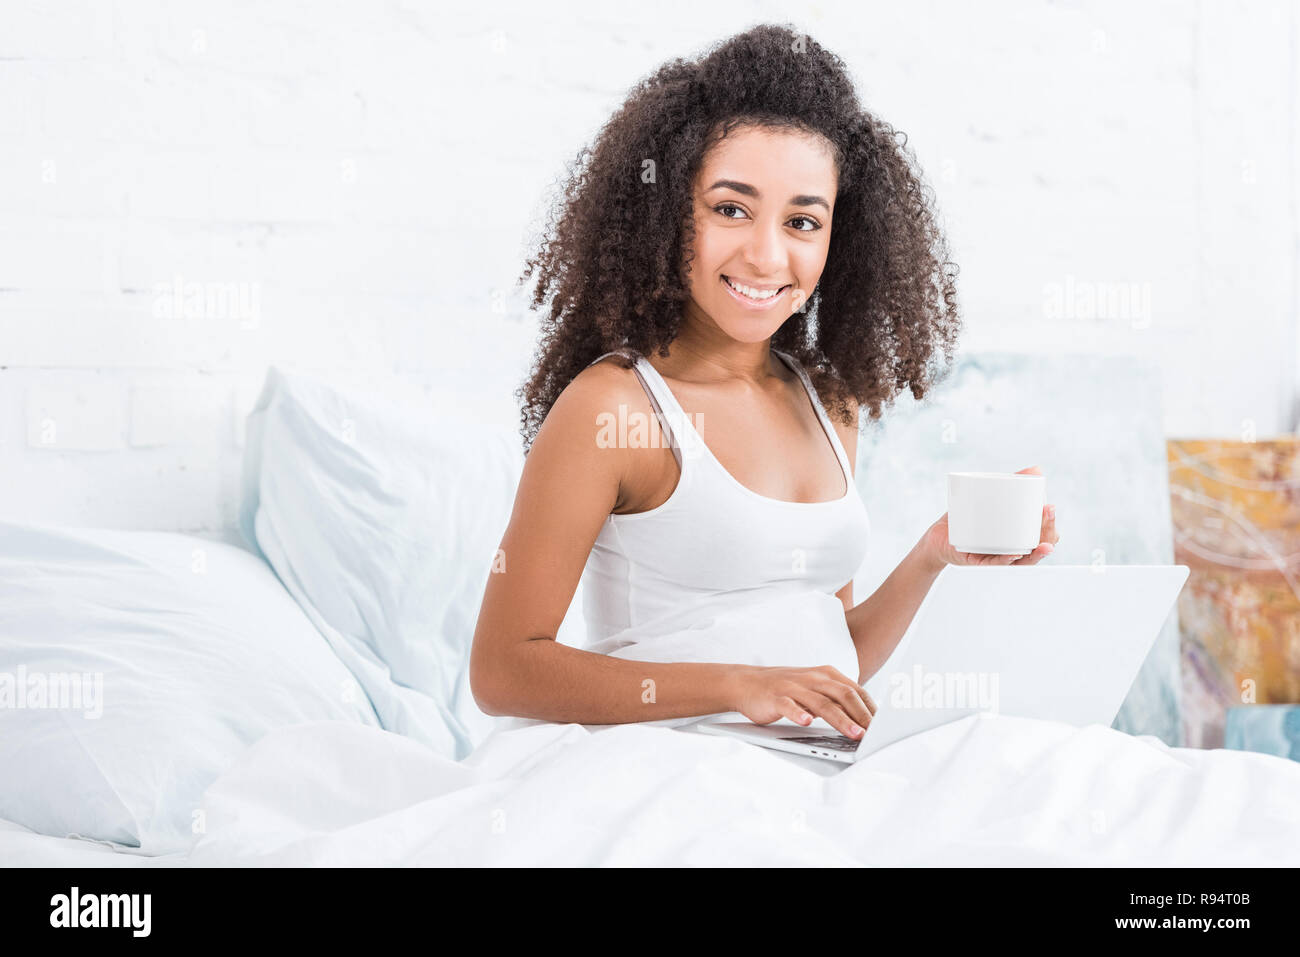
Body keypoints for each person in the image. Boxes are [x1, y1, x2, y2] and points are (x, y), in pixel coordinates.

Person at [469, 24, 1059, 742]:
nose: (765, 254)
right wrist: (734, 684)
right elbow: (503, 670)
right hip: (663, 769)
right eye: (730, 208)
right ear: (667, 211)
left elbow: (828, 663)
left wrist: (933, 553)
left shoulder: (827, 402)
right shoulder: (614, 408)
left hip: (808, 771)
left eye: (803, 221)